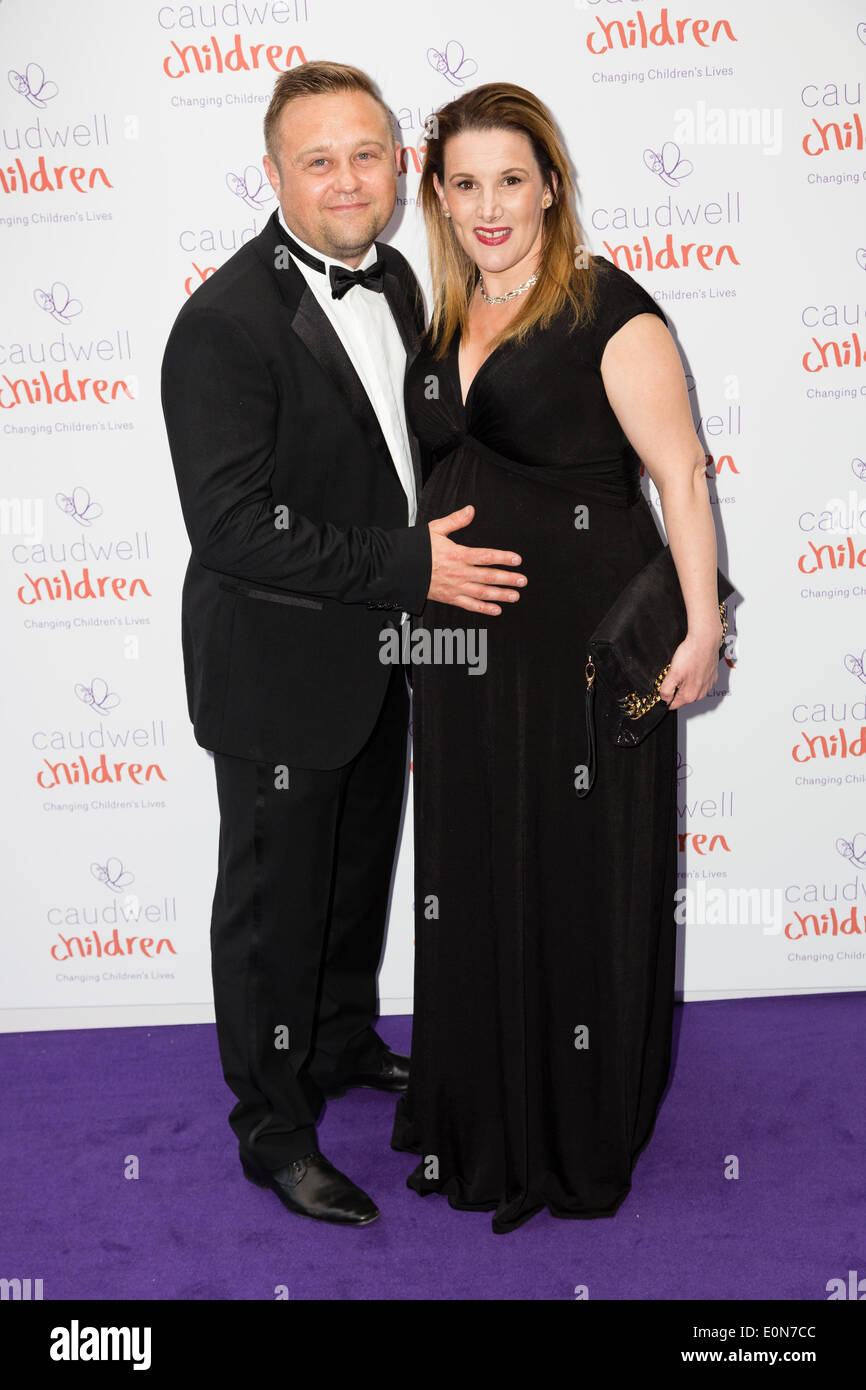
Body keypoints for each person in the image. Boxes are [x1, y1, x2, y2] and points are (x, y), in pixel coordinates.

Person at [160, 63, 526, 1228]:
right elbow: (231, 530)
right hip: (276, 670)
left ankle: (334, 1040)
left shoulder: (404, 278)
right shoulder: (222, 324)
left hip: (380, 660)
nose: (347, 178)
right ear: (272, 175)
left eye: (367, 152)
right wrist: (408, 566)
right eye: (317, 159)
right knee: (272, 912)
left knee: (355, 878)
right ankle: (271, 1128)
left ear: (396, 163)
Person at [390, 82, 725, 1233]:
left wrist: (700, 625)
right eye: (466, 182)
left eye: (511, 180)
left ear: (551, 186)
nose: (490, 207)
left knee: (575, 875)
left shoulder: (607, 310)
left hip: (576, 652)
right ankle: (478, 1105)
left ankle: (574, 1125)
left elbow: (679, 475)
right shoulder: (437, 316)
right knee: (471, 869)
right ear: (438, 194)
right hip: (459, 650)